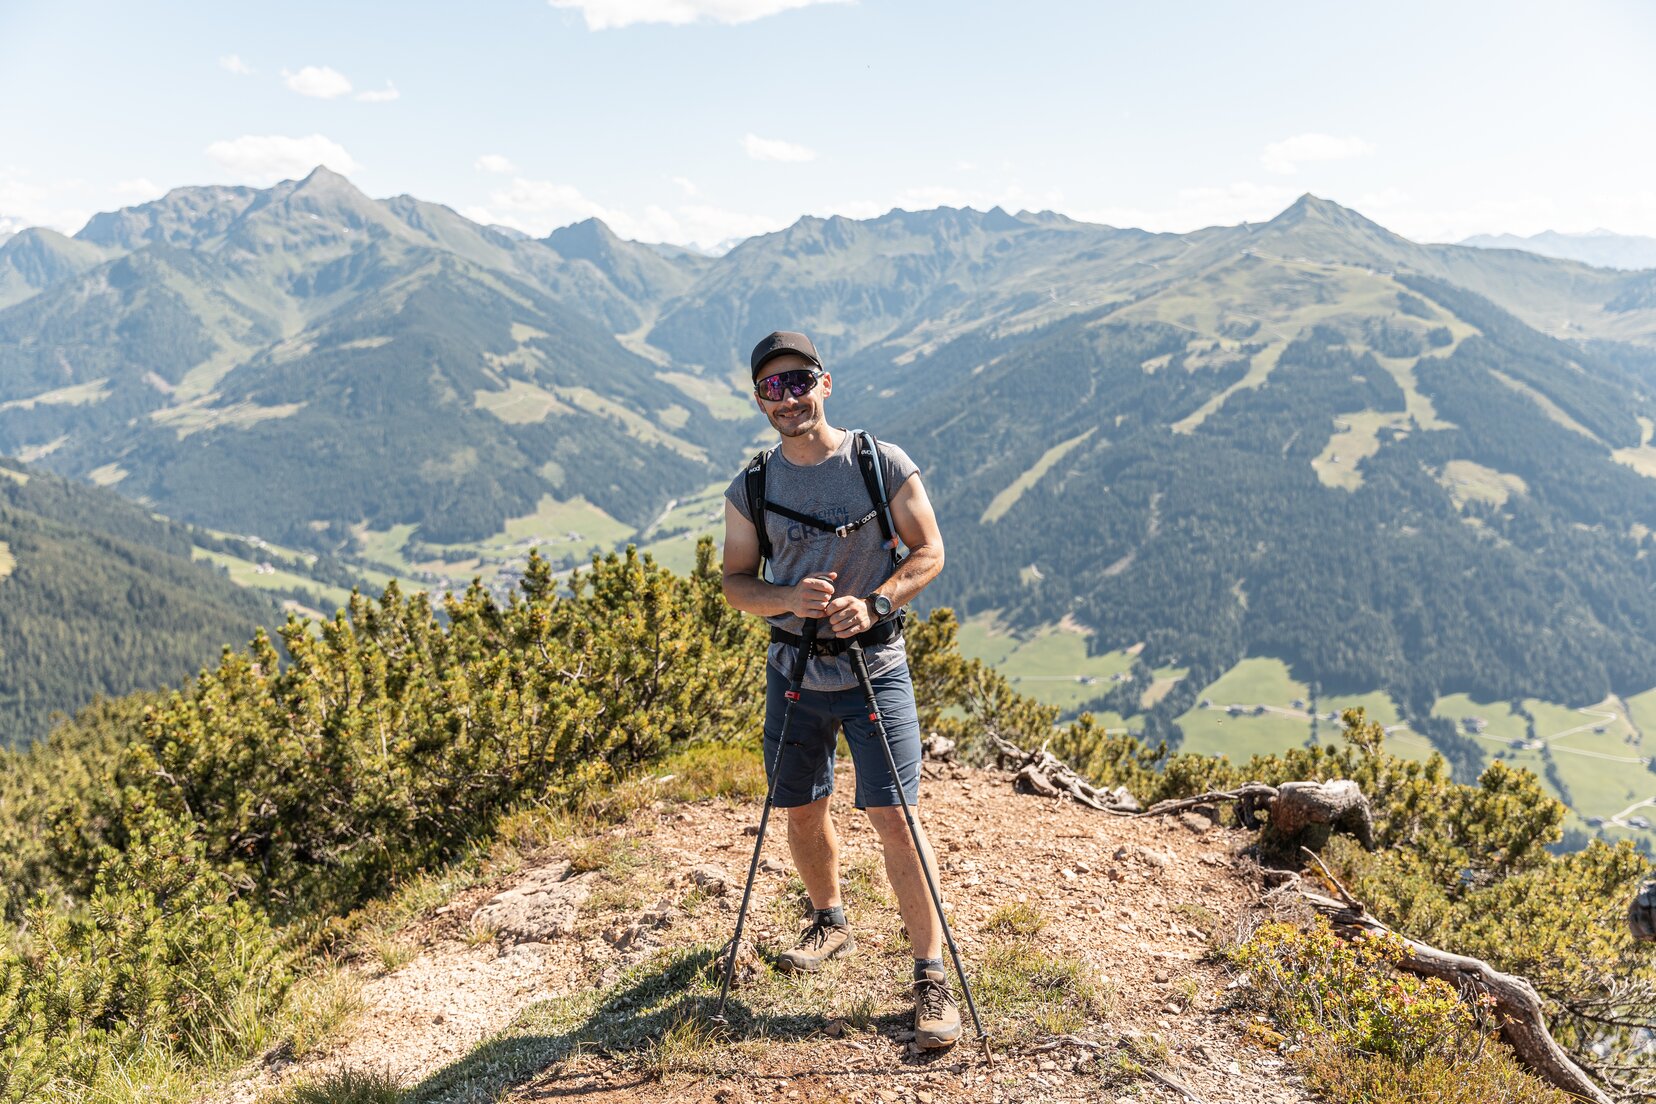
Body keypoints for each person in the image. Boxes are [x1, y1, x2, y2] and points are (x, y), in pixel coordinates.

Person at [721, 330, 959, 1049]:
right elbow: (736, 584)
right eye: (773, 388)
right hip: (794, 669)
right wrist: (788, 597)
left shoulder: (878, 464)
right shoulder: (753, 487)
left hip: (874, 669)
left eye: (800, 382)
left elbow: (931, 550)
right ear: (760, 400)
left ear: (827, 383)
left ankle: (929, 975)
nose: (788, 398)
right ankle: (830, 922)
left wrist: (879, 602)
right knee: (799, 808)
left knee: (896, 818)